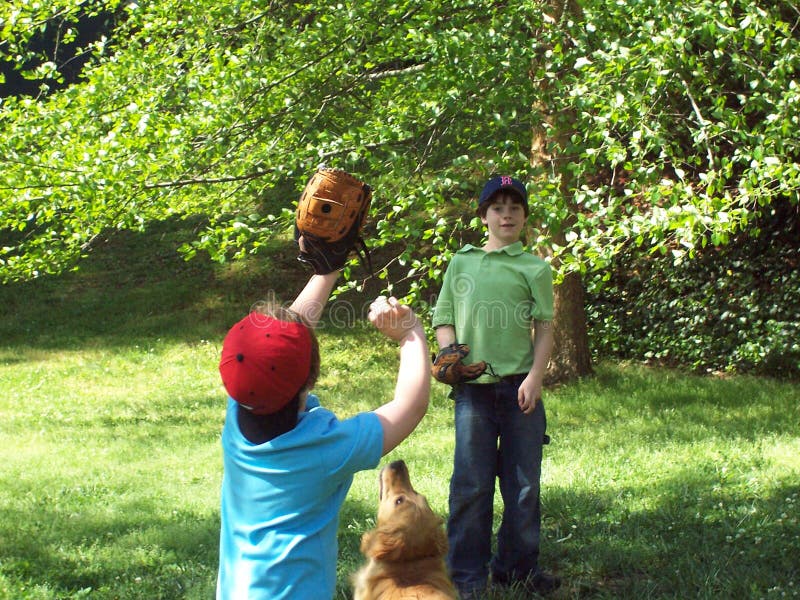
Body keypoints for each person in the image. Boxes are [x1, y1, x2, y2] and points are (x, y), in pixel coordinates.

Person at [216, 268, 430, 600]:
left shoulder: (238, 412)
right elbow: (410, 405)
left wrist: (327, 269)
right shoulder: (324, 450)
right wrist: (410, 333)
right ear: (313, 376)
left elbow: (282, 343)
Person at [431, 175, 560, 598]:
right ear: (484, 216)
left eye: (515, 208)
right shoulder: (462, 262)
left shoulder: (534, 267)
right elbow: (443, 316)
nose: (507, 214)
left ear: (524, 218)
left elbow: (544, 329)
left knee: (523, 487)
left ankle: (517, 569)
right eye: (498, 207)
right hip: (474, 393)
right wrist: (450, 355)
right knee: (471, 484)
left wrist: (536, 378)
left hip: (520, 391)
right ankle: (465, 575)